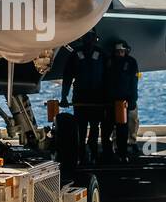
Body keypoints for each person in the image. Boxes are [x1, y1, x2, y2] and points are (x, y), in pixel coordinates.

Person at [60, 32, 107, 165]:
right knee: (83, 127)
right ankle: (83, 153)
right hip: (83, 98)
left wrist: (64, 96)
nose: (89, 41)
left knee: (92, 127)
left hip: (95, 98)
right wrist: (64, 96)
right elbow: (68, 76)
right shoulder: (77, 54)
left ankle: (91, 152)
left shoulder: (99, 54)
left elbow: (109, 77)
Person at [105, 39, 141, 161]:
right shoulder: (109, 62)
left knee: (129, 123)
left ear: (126, 51)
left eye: (121, 51)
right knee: (112, 127)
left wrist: (133, 99)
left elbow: (134, 82)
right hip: (111, 101)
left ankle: (129, 144)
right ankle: (114, 150)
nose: (119, 53)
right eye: (117, 51)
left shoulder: (131, 62)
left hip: (126, 101)